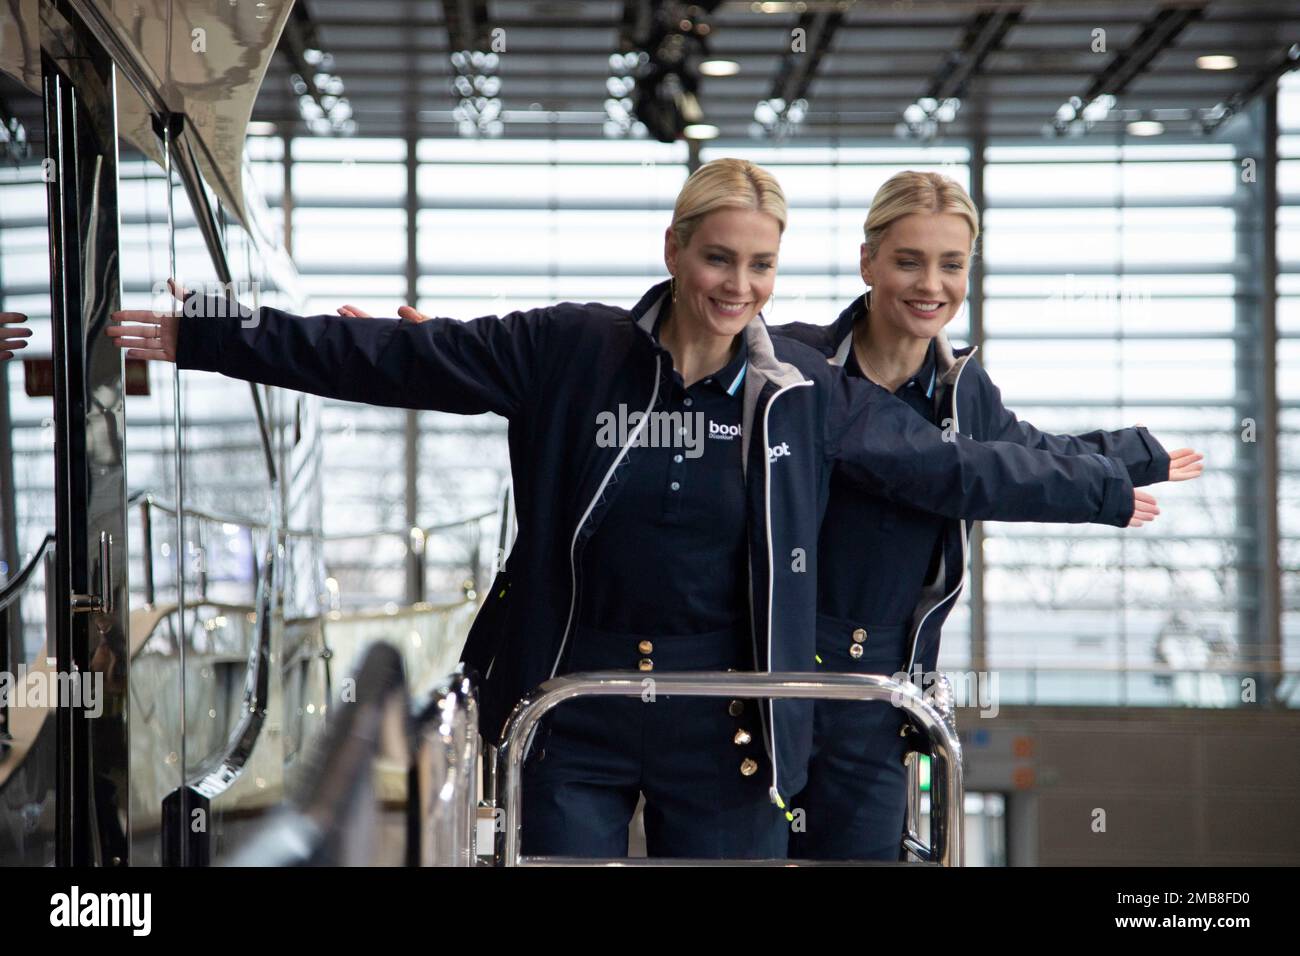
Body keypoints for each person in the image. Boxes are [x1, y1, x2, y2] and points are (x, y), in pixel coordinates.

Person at [107, 158, 1157, 860]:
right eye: (717, 257)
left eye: (758, 266)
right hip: (574, 699)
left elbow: (957, 468)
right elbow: (392, 356)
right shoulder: (573, 349)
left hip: (727, 712)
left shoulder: (801, 390)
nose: (735, 284)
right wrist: (209, 336)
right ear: (673, 249)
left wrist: (1112, 485)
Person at [774, 170, 1203, 860]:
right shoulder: (797, 365)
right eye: (908, 260)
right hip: (780, 668)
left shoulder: (962, 391)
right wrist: (1099, 492)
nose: (930, 285)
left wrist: (1132, 458)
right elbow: (966, 471)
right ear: (868, 261)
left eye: (952, 264)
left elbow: (1022, 451)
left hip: (883, 689)